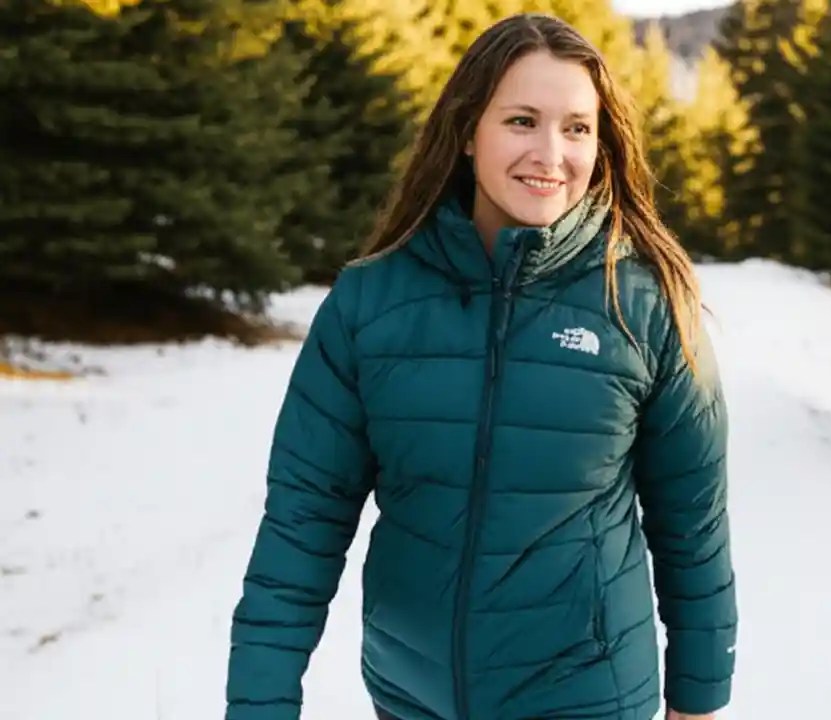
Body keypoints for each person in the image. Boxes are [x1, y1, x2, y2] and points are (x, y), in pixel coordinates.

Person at [224, 12, 737, 720]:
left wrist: (700, 699)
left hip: (590, 696)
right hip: (414, 697)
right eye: (522, 120)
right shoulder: (371, 301)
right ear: (469, 132)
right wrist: (259, 702)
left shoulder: (644, 304)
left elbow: (692, 523)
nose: (551, 153)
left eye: (577, 127)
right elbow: (301, 523)